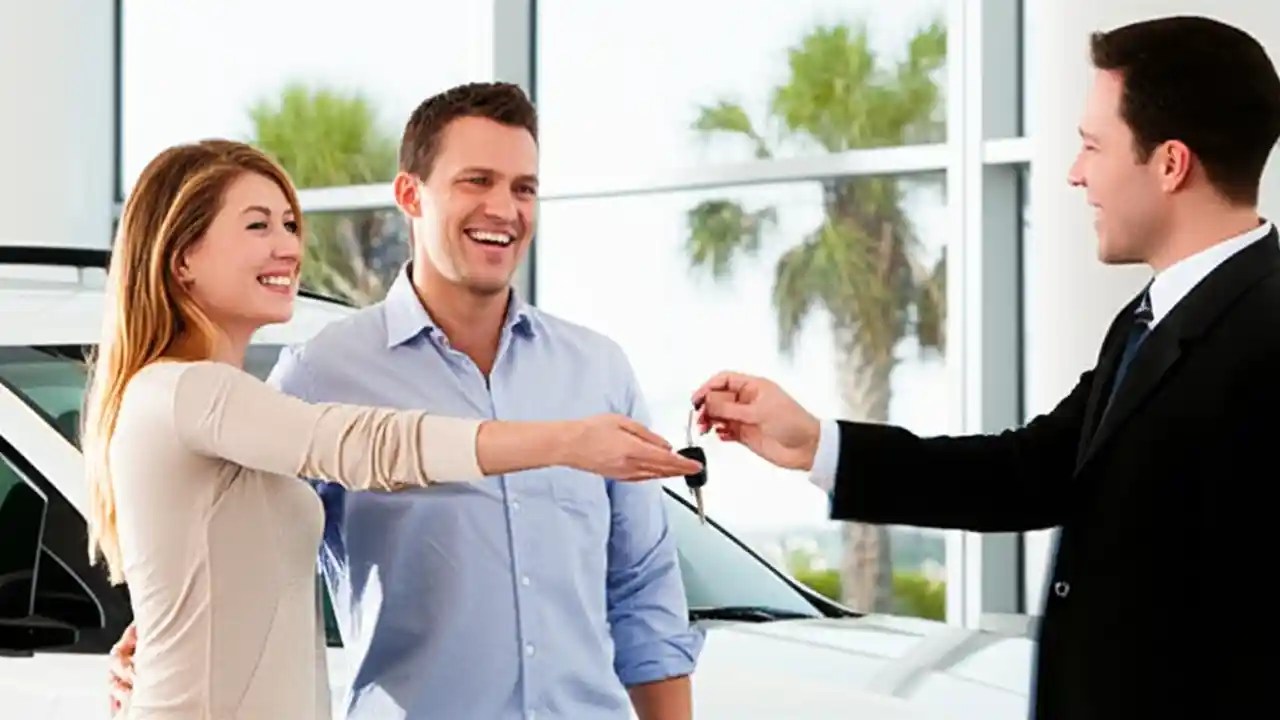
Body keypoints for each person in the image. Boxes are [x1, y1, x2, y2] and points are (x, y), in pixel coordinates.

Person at [691, 15, 1280, 720]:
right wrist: (817, 443)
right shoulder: (1146, 321)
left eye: (1093, 146)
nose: (1075, 172)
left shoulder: (1264, 328)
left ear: (1171, 163)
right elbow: (1027, 472)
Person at [110, 84, 705, 719]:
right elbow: (272, 518)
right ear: (409, 195)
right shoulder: (316, 376)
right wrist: (161, 633)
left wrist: (164, 626)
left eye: (523, 187)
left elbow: (644, 590)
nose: (503, 208)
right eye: (477, 181)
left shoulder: (598, 369)